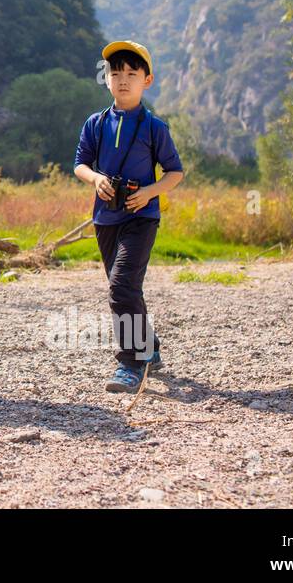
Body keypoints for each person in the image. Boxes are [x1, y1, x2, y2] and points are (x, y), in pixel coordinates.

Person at [73, 40, 184, 393]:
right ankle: (149, 347)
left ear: (146, 81)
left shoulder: (155, 127)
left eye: (131, 74)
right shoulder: (95, 123)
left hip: (142, 217)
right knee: (126, 288)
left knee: (121, 287)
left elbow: (174, 172)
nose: (122, 79)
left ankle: (131, 363)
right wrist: (96, 179)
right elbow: (80, 164)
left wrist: (149, 192)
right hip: (105, 218)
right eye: (115, 73)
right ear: (106, 79)